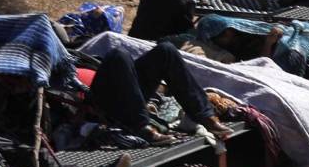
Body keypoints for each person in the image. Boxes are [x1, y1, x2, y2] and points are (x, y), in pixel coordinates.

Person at [88, 39, 233, 140]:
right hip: (103, 100)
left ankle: (205, 116)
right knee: (118, 54)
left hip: (128, 94)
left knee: (166, 50)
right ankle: (142, 127)